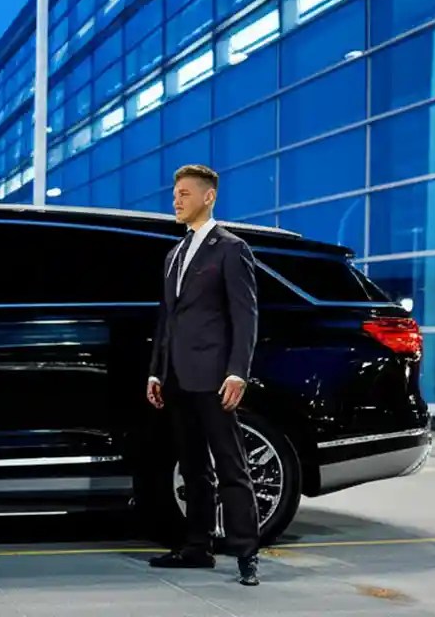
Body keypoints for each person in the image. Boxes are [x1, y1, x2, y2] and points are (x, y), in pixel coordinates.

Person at [146, 164, 261, 586]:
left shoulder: (231, 248)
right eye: (174, 193)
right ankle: (197, 547)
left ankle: (247, 553)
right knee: (194, 468)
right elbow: (167, 318)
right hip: (176, 378)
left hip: (215, 377)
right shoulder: (174, 254)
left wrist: (237, 372)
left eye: (184, 194)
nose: (176, 200)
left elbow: (245, 316)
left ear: (208, 197)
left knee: (232, 467)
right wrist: (156, 372)